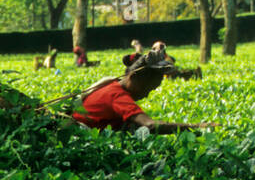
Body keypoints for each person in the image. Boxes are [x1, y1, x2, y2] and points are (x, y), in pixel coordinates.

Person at [72, 45, 210, 134]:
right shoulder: (118, 96)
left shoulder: (113, 85)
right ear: (133, 77)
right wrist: (197, 126)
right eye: (146, 88)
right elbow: (150, 125)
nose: (146, 95)